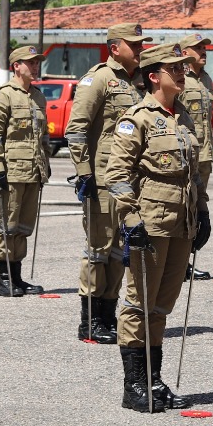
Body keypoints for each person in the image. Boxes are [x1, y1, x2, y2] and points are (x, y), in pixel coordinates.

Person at [103, 43, 210, 412]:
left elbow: (192, 174)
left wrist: (203, 211)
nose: (182, 72)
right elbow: (116, 175)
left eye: (183, 67)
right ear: (153, 76)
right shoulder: (138, 118)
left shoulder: (183, 117)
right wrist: (130, 220)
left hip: (182, 223)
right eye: (173, 68)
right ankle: (133, 385)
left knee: (162, 305)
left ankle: (153, 378)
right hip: (150, 224)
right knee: (138, 302)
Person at [65, 22, 149, 344]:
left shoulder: (137, 83)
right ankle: (89, 320)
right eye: (135, 43)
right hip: (101, 182)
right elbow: (76, 129)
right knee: (98, 251)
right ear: (115, 48)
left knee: (118, 253)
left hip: (128, 182)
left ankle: (106, 316)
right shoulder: (99, 78)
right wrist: (84, 172)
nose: (140, 48)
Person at [0, 44, 50, 297]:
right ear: (16, 66)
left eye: (37, 62)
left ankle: (18, 277)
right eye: (30, 62)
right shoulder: (4, 95)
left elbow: (42, 137)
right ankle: (4, 279)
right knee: (8, 225)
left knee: (24, 227)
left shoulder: (38, 96)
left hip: (34, 171)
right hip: (12, 171)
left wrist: (46, 163)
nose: (35, 66)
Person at [175, 33, 213, 281]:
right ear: (184, 52)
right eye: (198, 48)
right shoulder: (180, 78)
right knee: (182, 207)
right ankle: (178, 263)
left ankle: (187, 261)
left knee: (196, 209)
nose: (203, 51)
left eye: (204, 47)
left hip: (205, 154)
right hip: (186, 154)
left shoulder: (206, 80)